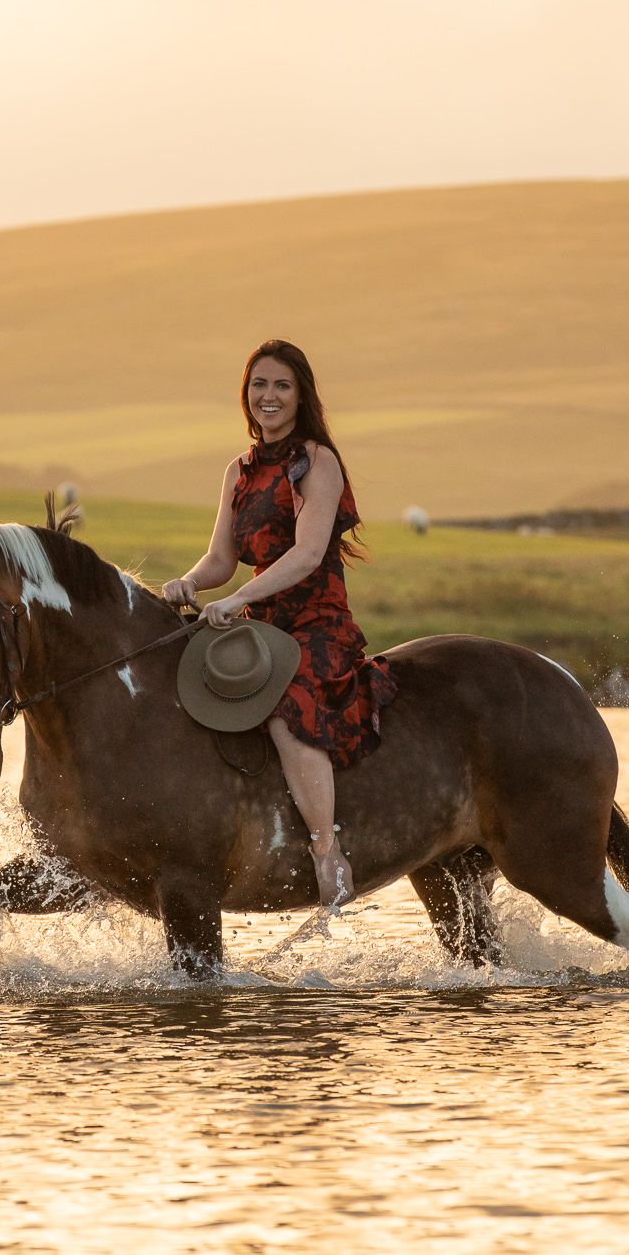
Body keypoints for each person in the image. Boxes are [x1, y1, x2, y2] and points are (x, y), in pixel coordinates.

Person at [163, 340, 398, 911]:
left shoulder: (318, 462)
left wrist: (240, 595)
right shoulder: (239, 470)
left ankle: (326, 852)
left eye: (281, 386)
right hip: (261, 620)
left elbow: (307, 554)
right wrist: (190, 584)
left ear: (301, 396)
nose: (268, 397)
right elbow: (220, 558)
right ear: (246, 395)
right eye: (259, 385)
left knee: (287, 710)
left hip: (317, 619)